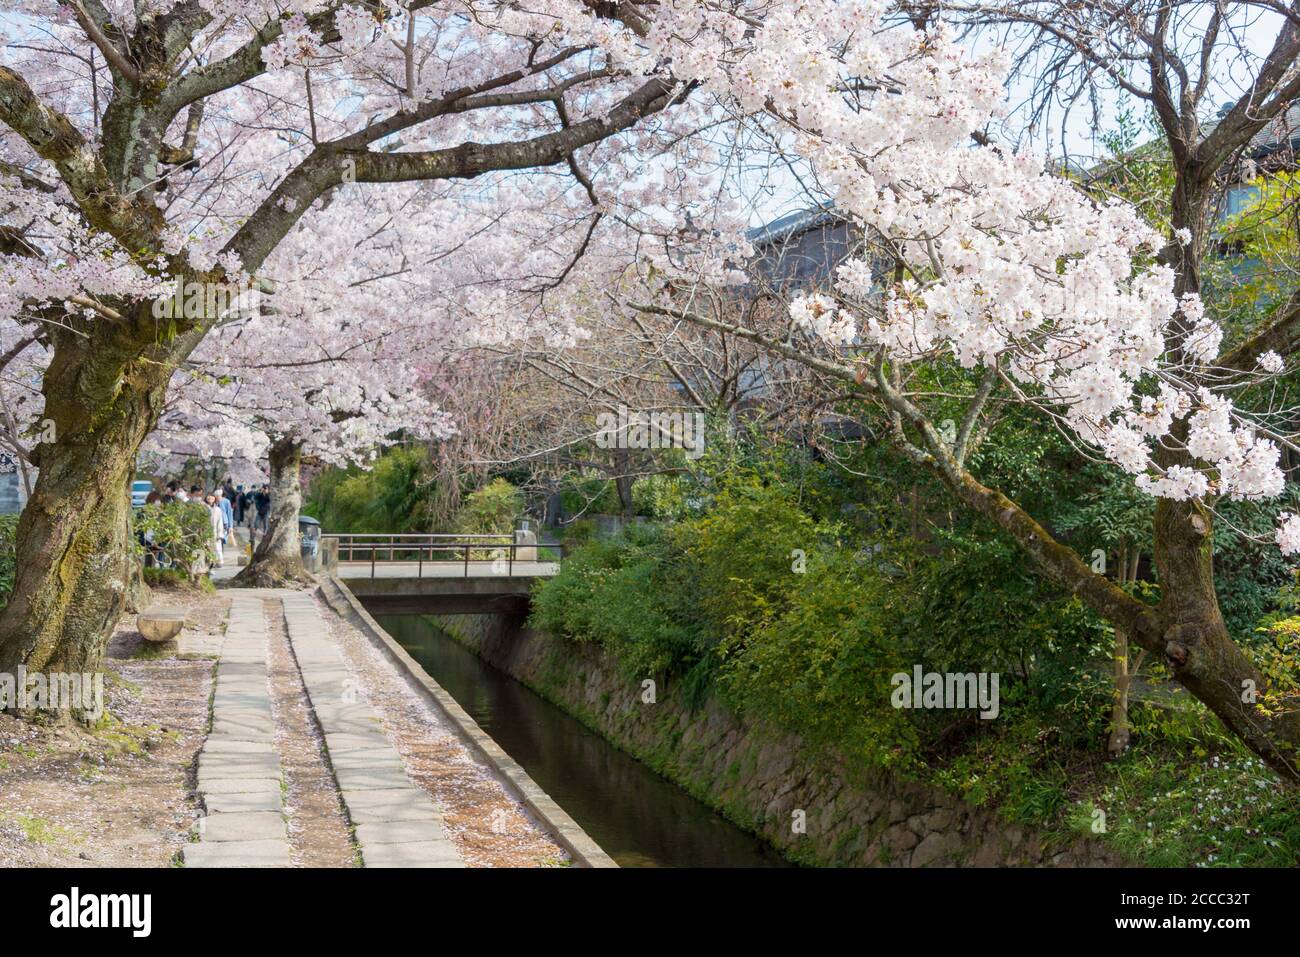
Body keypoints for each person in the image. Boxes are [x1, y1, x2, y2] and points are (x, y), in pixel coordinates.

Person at [205, 492, 225, 568]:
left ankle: (220, 561)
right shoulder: (203, 508)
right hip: (206, 531)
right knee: (207, 547)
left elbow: (220, 522)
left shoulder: (218, 509)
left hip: (215, 531)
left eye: (212, 497)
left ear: (214, 498)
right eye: (209, 496)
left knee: (217, 547)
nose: (210, 498)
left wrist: (220, 533)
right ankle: (210, 562)